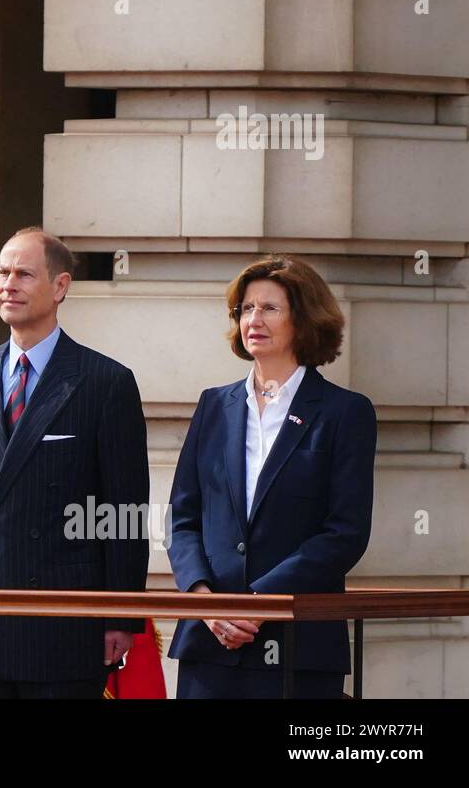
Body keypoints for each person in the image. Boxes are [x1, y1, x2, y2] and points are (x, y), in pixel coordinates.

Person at [0, 226, 150, 698]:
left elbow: (125, 511)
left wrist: (121, 617)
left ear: (60, 287)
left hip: (68, 619)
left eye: (23, 274)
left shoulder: (104, 381)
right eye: (2, 272)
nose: (8, 284)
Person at [168, 255, 375, 698]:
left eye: (269, 308)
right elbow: (183, 519)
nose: (253, 319)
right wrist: (203, 601)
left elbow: (345, 533)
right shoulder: (213, 406)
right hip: (209, 644)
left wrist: (260, 603)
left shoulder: (345, 413)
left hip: (298, 644)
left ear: (303, 320)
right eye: (246, 308)